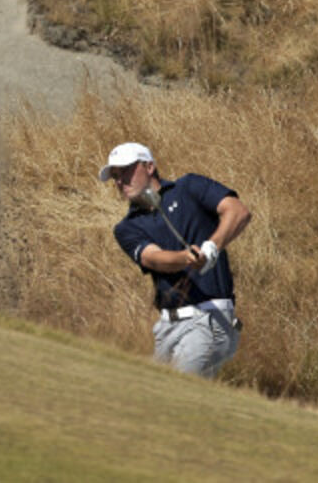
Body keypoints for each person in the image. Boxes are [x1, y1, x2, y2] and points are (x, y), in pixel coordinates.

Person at [98, 142, 252, 378]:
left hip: (208, 320)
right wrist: (185, 258)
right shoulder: (126, 228)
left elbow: (238, 211)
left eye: (126, 171)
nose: (120, 181)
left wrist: (212, 247)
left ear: (149, 167)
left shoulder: (189, 187)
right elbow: (153, 258)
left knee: (178, 393)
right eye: (115, 176)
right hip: (167, 327)